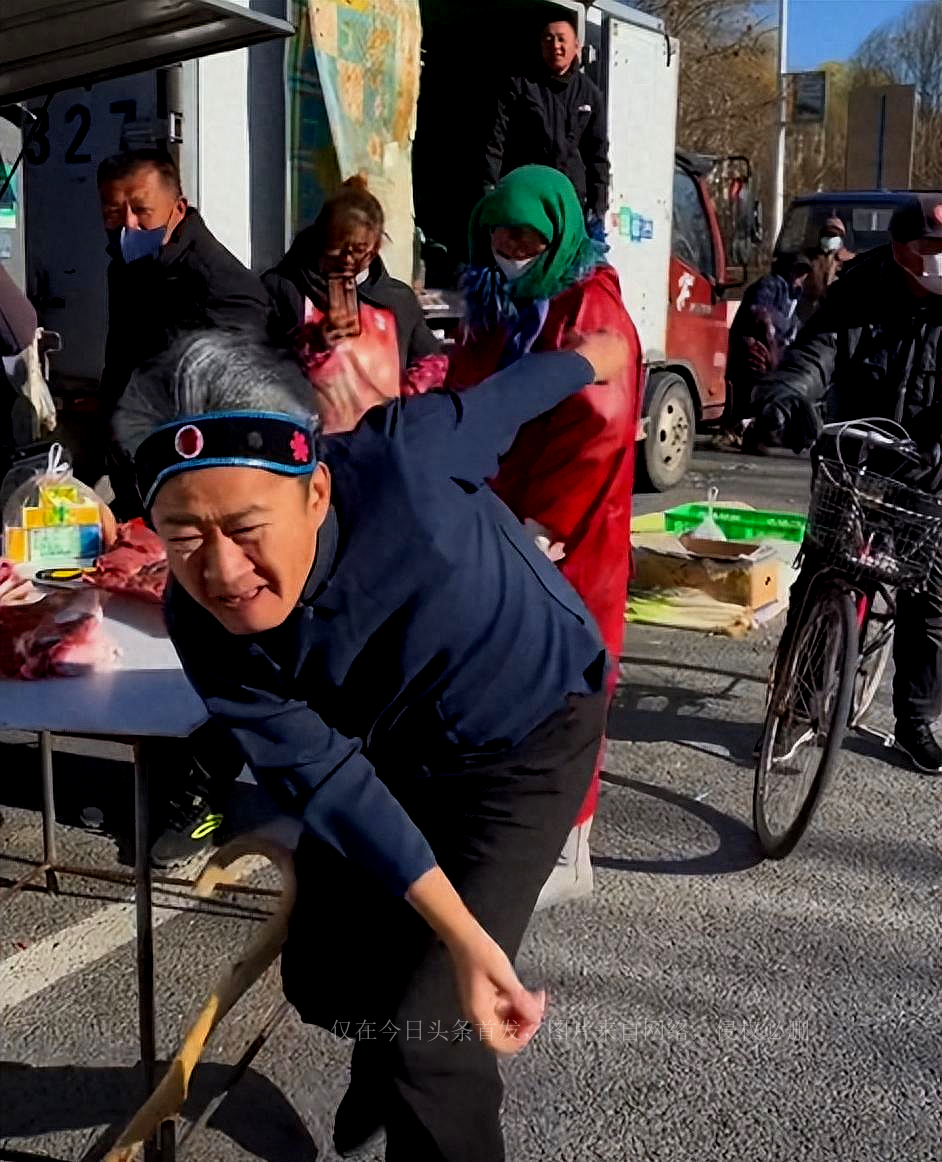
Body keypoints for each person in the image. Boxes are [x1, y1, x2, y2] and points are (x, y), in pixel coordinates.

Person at [113, 327, 628, 1161]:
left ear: (315, 492)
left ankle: (408, 1067)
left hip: (525, 734)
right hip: (383, 742)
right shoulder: (199, 621)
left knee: (437, 1041)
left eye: (246, 527)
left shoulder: (405, 463)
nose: (223, 571)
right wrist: (450, 930)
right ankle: (386, 1053)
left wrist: (598, 357)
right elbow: (324, 777)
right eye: (183, 536)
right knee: (327, 975)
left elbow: (509, 397)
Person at [447, 164, 642, 906]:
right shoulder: (499, 301)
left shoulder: (590, 307)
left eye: (525, 238)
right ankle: (508, 827)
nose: (510, 249)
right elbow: (466, 392)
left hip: (570, 536)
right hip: (495, 520)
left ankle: (569, 842)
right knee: (504, 680)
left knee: (570, 684)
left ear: (557, 235)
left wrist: (545, 526)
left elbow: (597, 424)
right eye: (500, 235)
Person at [751, 192, 942, 774]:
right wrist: (786, 396)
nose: (940, 258)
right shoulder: (859, 289)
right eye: (930, 246)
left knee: (930, 593)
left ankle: (914, 721)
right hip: (854, 453)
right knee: (824, 573)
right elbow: (816, 353)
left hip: (926, 465)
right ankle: (795, 707)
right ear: (900, 249)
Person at [96, 148, 270, 516]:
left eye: (142, 211)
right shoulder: (127, 267)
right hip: (136, 472)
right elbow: (120, 358)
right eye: (113, 213)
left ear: (178, 209)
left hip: (192, 485)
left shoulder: (221, 287)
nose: (128, 226)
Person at [264, 177, 446, 433]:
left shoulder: (397, 300)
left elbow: (432, 362)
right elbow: (259, 368)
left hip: (381, 441)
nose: (348, 260)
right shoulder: (283, 289)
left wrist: (402, 404)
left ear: (376, 247)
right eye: (338, 249)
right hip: (310, 442)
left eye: (359, 250)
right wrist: (314, 344)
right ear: (320, 238)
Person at [482, 17, 609, 233]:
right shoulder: (519, 85)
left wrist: (597, 209)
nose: (555, 46)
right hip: (524, 197)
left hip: (569, 201)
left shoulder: (590, 94)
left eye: (561, 39)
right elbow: (495, 141)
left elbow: (598, 156)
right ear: (541, 45)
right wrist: (489, 189)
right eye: (548, 39)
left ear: (576, 46)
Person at [719, 252, 812, 446]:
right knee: (749, 387)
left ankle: (752, 431)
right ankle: (733, 430)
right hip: (753, 345)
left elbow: (792, 325)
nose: (800, 277)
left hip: (773, 350)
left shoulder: (793, 295)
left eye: (804, 272)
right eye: (797, 270)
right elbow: (760, 315)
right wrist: (772, 350)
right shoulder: (771, 284)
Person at [796, 217, 853, 326]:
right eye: (827, 235)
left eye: (834, 236)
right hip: (809, 316)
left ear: (841, 239)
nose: (830, 239)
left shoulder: (849, 261)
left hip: (838, 318)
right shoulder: (809, 258)